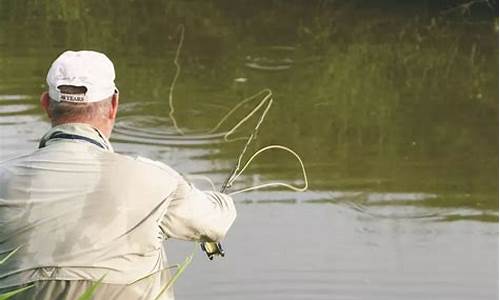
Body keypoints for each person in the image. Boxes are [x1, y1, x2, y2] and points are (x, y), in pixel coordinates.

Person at [0, 50, 237, 299]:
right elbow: (216, 223)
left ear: (46, 105)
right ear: (113, 105)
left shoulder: (3, 178)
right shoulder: (154, 180)